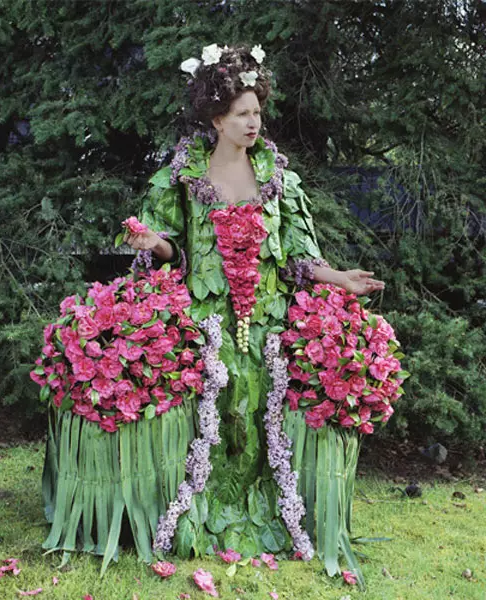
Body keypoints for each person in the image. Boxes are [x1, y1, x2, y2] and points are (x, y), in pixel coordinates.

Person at [124, 44, 384, 557]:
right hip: (206, 325)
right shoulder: (182, 177)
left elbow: (297, 257)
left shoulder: (280, 182)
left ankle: (272, 510)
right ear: (217, 119)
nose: (253, 122)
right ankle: (193, 516)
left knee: (261, 417)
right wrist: (153, 244)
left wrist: (339, 279)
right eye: (242, 114)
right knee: (214, 418)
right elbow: (172, 248)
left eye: (257, 113)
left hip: (267, 323)